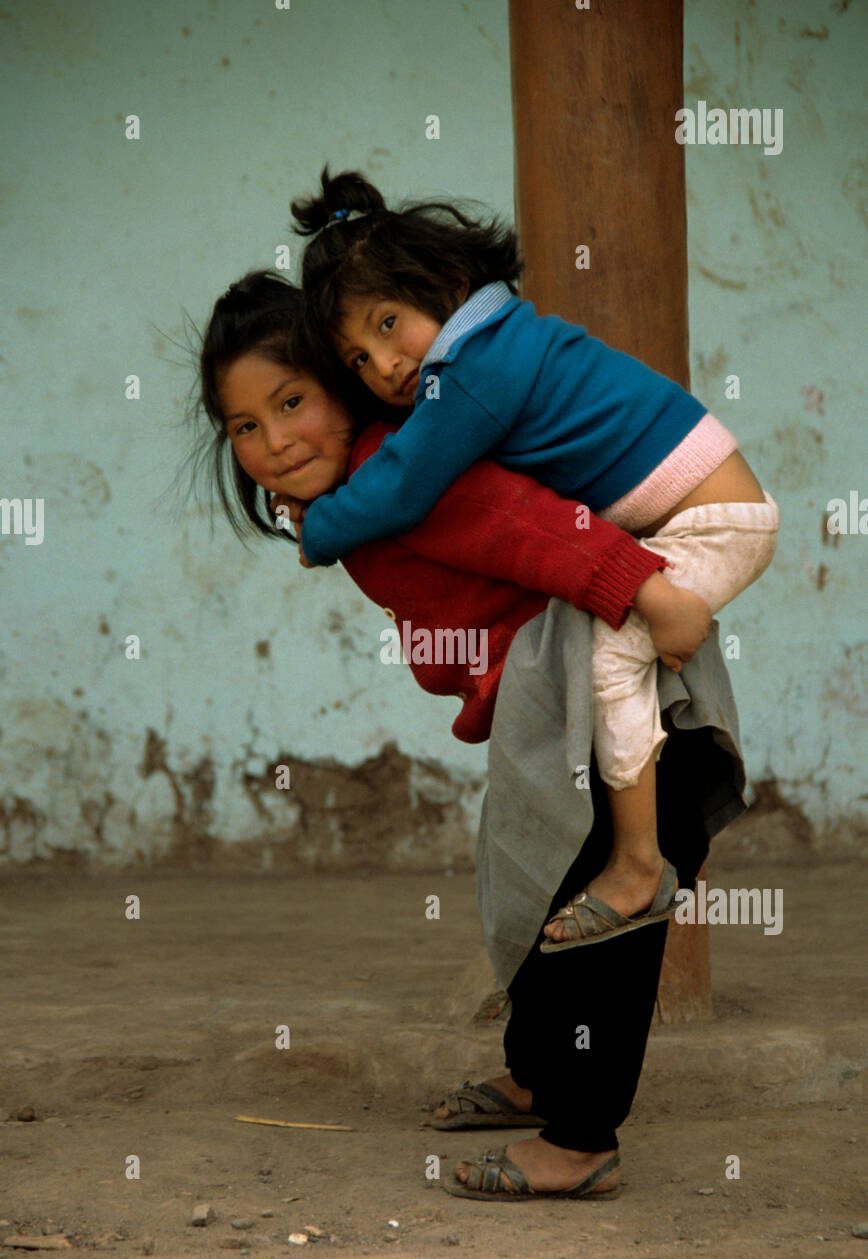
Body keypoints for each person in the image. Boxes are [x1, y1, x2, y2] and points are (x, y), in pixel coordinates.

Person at [189, 270, 747, 1201]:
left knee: (595, 929)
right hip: (562, 711)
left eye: (293, 402)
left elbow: (539, 530)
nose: (274, 441)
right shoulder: (368, 496)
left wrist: (648, 594)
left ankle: (580, 1139)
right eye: (245, 426)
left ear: (348, 388)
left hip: (630, 707)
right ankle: (537, 1074)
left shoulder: (409, 474)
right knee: (525, 892)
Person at [288, 167, 779, 951]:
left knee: (609, 659)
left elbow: (406, 485)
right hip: (687, 514)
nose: (381, 366)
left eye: (387, 325)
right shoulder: (497, 342)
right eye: (355, 360)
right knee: (606, 647)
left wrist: (318, 529)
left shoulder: (475, 371)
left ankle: (637, 868)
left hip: (715, 522)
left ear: (448, 284)